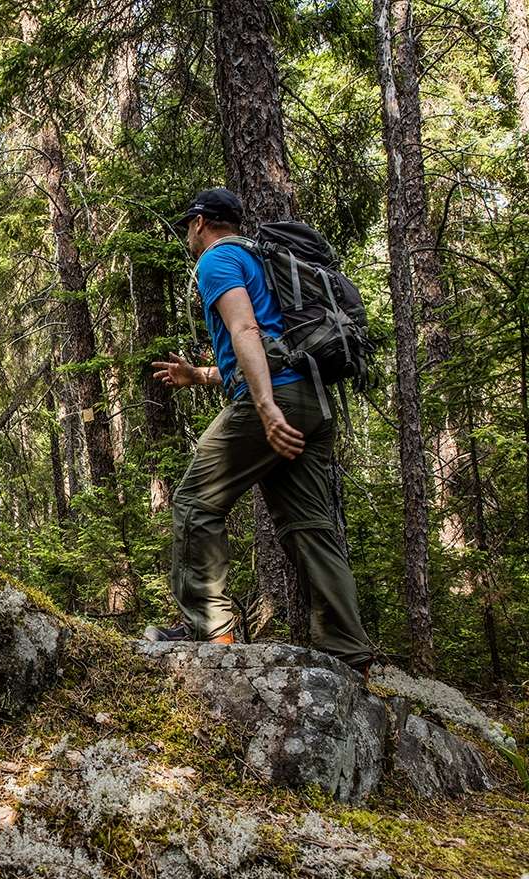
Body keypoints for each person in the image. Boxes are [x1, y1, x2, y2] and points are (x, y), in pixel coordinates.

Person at [146, 187, 374, 675]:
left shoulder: (216, 259)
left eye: (189, 225)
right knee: (310, 525)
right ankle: (348, 651)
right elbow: (274, 338)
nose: (189, 234)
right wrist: (201, 376)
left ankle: (211, 630)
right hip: (313, 402)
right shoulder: (261, 257)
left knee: (194, 502)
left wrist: (267, 407)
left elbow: (246, 331)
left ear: (200, 222)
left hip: (276, 399)